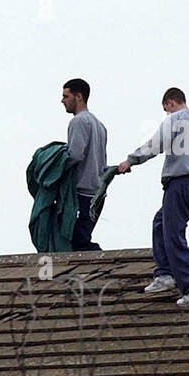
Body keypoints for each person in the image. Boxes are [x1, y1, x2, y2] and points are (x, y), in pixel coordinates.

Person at [117, 88, 189, 307]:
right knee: (161, 223)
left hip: (179, 184)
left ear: (170, 103)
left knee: (173, 235)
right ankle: (165, 274)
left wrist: (130, 161)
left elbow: (154, 145)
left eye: (165, 110)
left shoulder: (175, 119)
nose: (166, 114)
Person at [61, 78, 108, 251]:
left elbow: (74, 155)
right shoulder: (100, 125)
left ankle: (101, 265)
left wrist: (55, 171)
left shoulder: (78, 121)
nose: (62, 101)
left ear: (78, 96)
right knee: (80, 240)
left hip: (82, 194)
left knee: (76, 244)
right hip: (97, 194)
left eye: (66, 96)